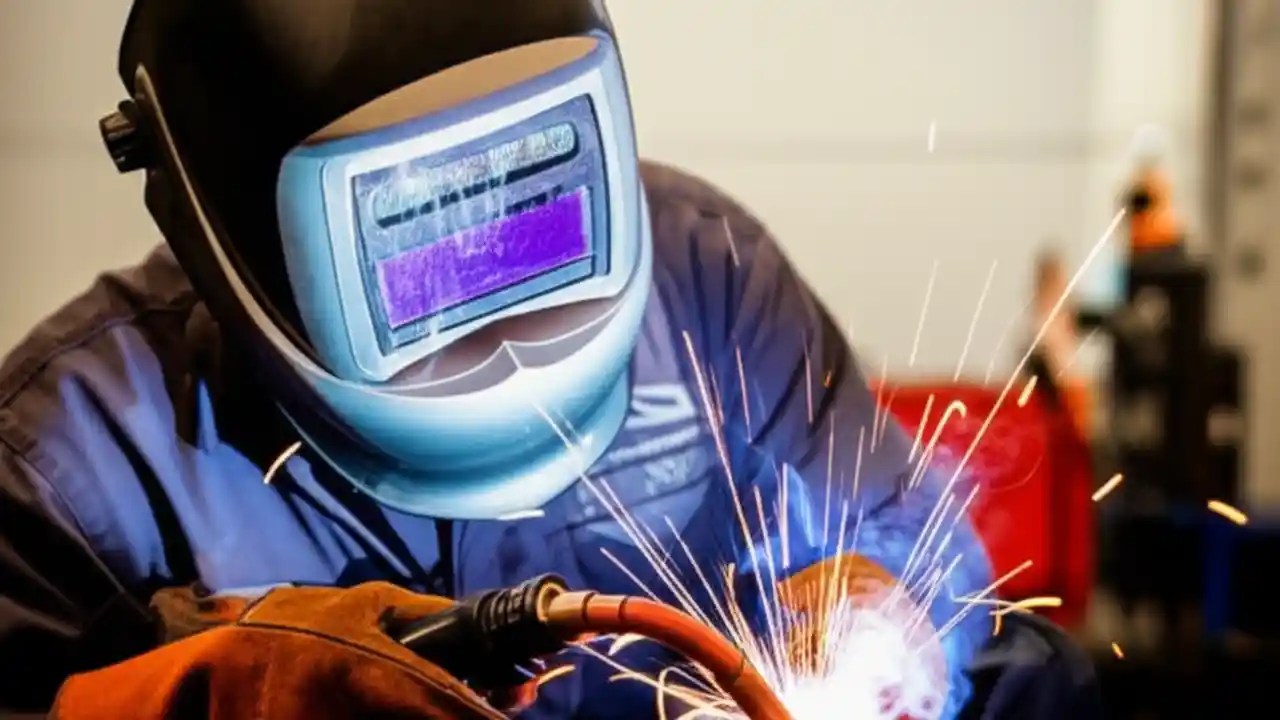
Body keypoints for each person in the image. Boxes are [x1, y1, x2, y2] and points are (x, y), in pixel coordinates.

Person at [0, 1, 1101, 718]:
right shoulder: (71, 465)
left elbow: (908, 538)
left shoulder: (700, 280)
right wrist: (200, 692)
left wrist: (882, 616)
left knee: (1032, 680)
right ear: (231, 218)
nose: (497, 318)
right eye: (416, 228)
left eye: (526, 188)